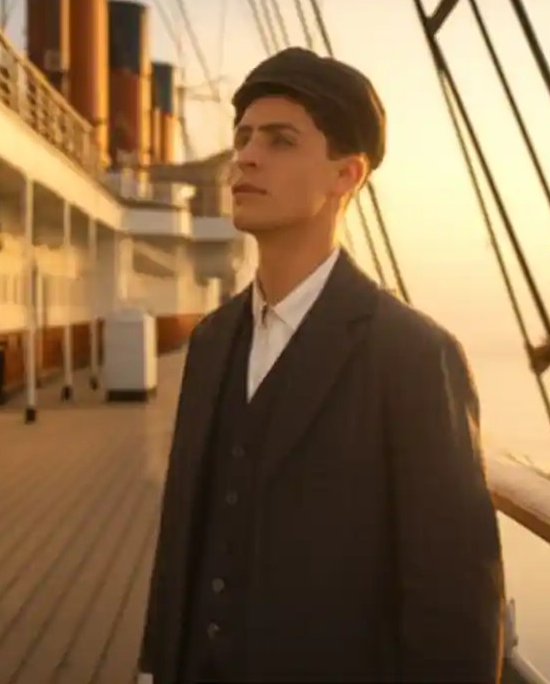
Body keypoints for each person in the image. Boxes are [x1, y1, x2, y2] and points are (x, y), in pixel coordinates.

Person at [136, 47, 506, 683]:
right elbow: (183, 540)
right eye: (243, 137)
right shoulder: (212, 341)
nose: (246, 156)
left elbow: (454, 603)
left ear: (347, 176)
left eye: (280, 141)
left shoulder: (414, 356)